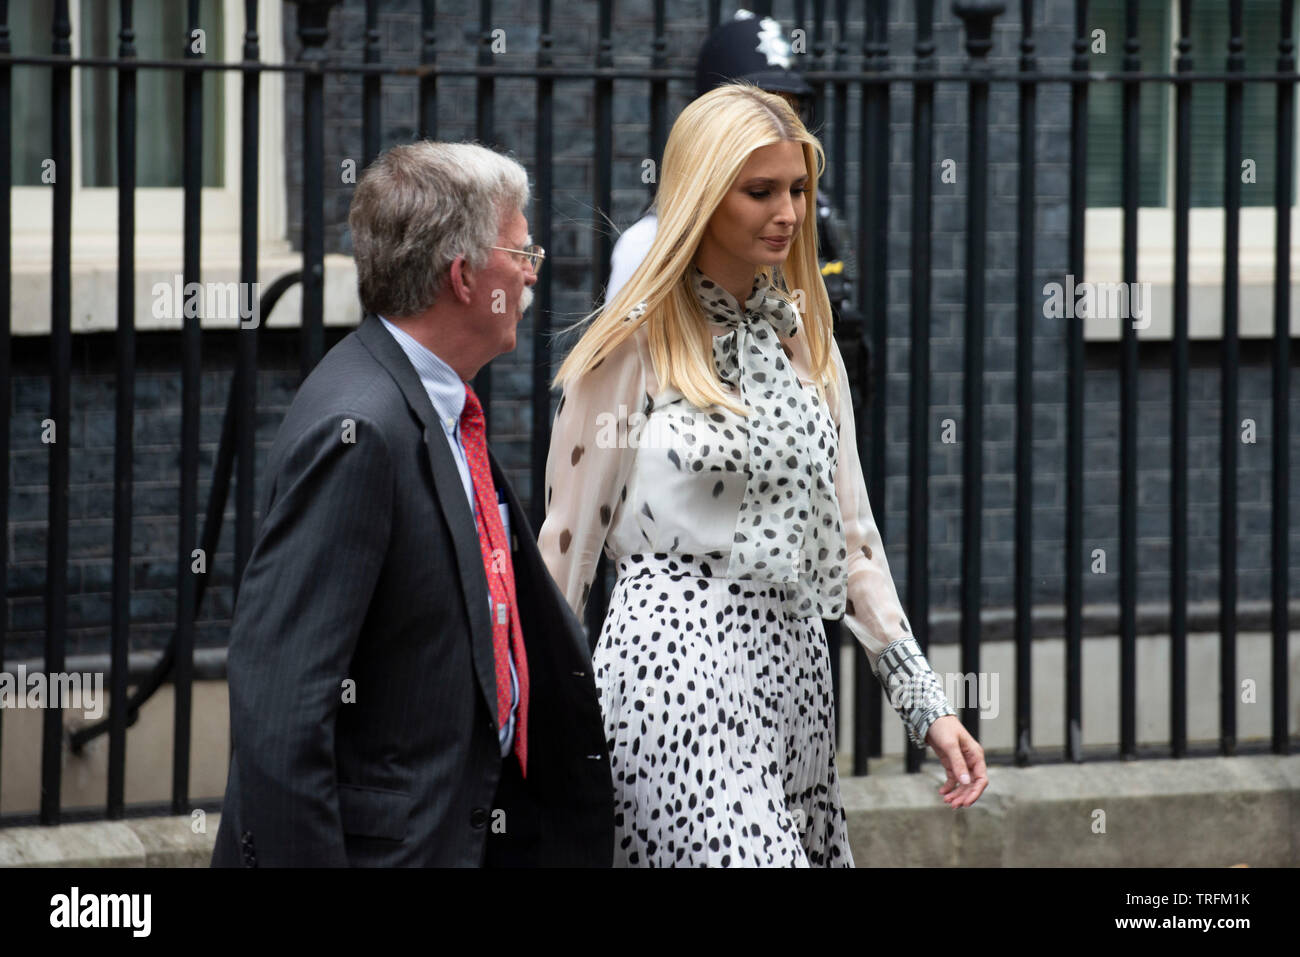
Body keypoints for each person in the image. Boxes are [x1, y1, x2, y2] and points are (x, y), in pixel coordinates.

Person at [538, 84, 987, 868]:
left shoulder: (807, 342)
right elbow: (566, 545)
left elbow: (854, 539)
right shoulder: (633, 343)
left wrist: (925, 703)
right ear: (703, 194)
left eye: (799, 189)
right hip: (671, 666)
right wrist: (526, 723)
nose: (789, 212)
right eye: (761, 191)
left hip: (794, 676)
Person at [212, 142, 614, 868]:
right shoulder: (362, 429)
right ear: (462, 276)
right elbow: (281, 713)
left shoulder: (434, 402)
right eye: (521, 252)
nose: (531, 273)